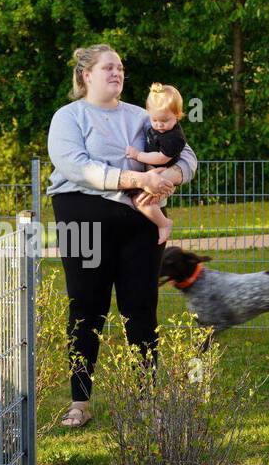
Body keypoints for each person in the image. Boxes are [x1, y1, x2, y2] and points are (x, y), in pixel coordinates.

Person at [47, 45, 198, 429]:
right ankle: (80, 401)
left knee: (141, 307)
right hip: (82, 218)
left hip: (138, 224)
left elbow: (186, 157)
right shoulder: (69, 117)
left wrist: (166, 178)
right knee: (85, 307)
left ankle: (146, 400)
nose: (117, 73)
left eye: (120, 68)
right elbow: (77, 167)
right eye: (108, 67)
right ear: (85, 75)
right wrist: (135, 178)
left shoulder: (142, 116)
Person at [124, 82, 188, 245]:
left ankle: (164, 224)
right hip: (151, 173)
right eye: (154, 119)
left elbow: (161, 158)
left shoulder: (174, 137)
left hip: (162, 175)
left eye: (164, 121)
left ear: (177, 115)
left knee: (142, 202)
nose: (159, 125)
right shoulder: (157, 127)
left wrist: (138, 155)